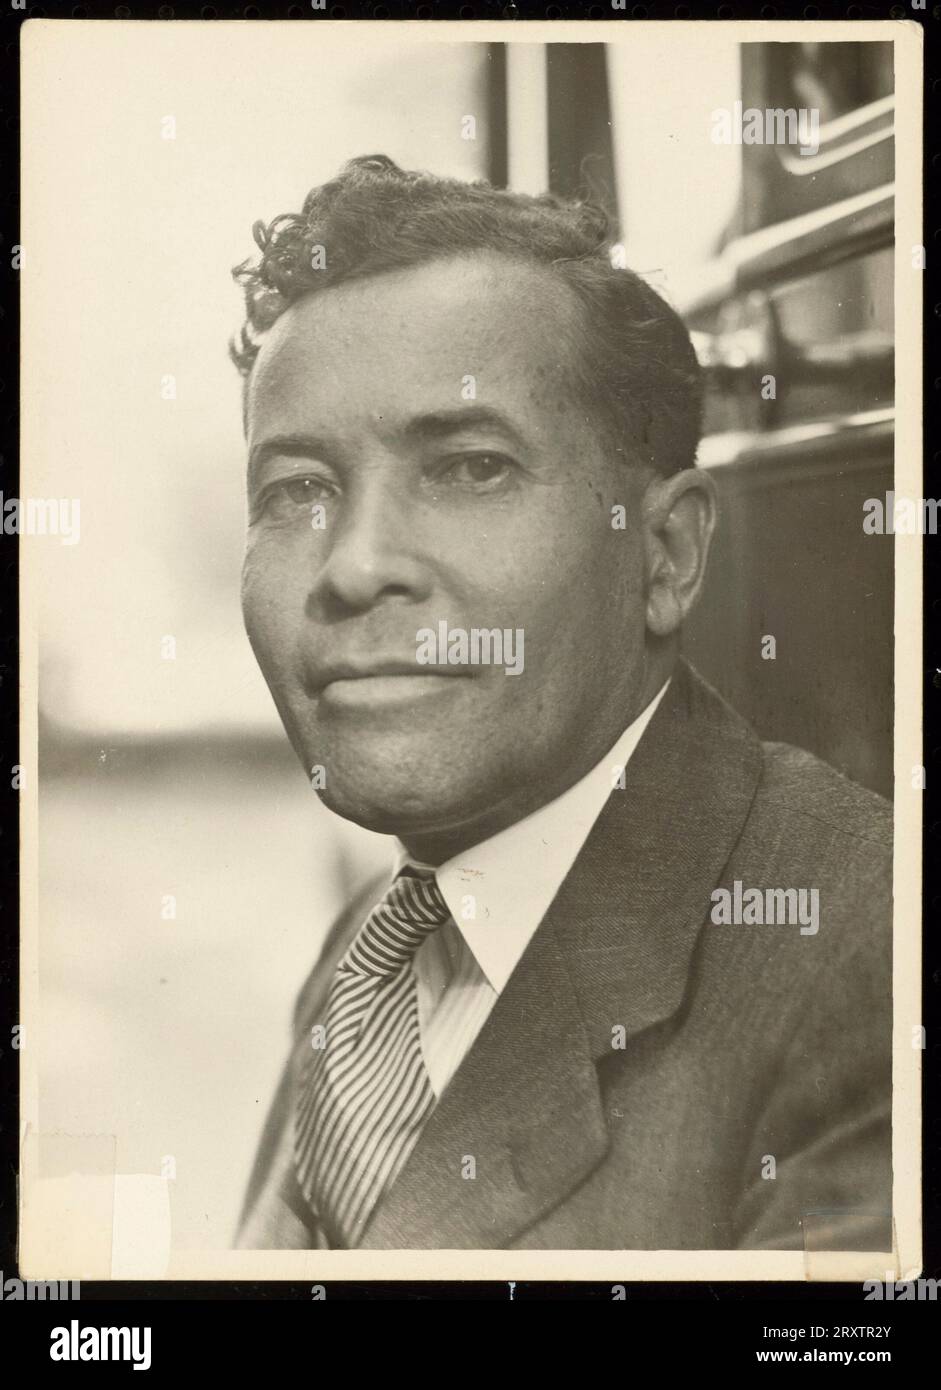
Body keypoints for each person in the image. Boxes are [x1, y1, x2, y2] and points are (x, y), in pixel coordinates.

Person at [231, 156, 891, 1251]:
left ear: (666, 553)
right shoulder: (375, 946)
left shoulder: (864, 956)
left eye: (469, 468)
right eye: (295, 489)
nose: (352, 566)